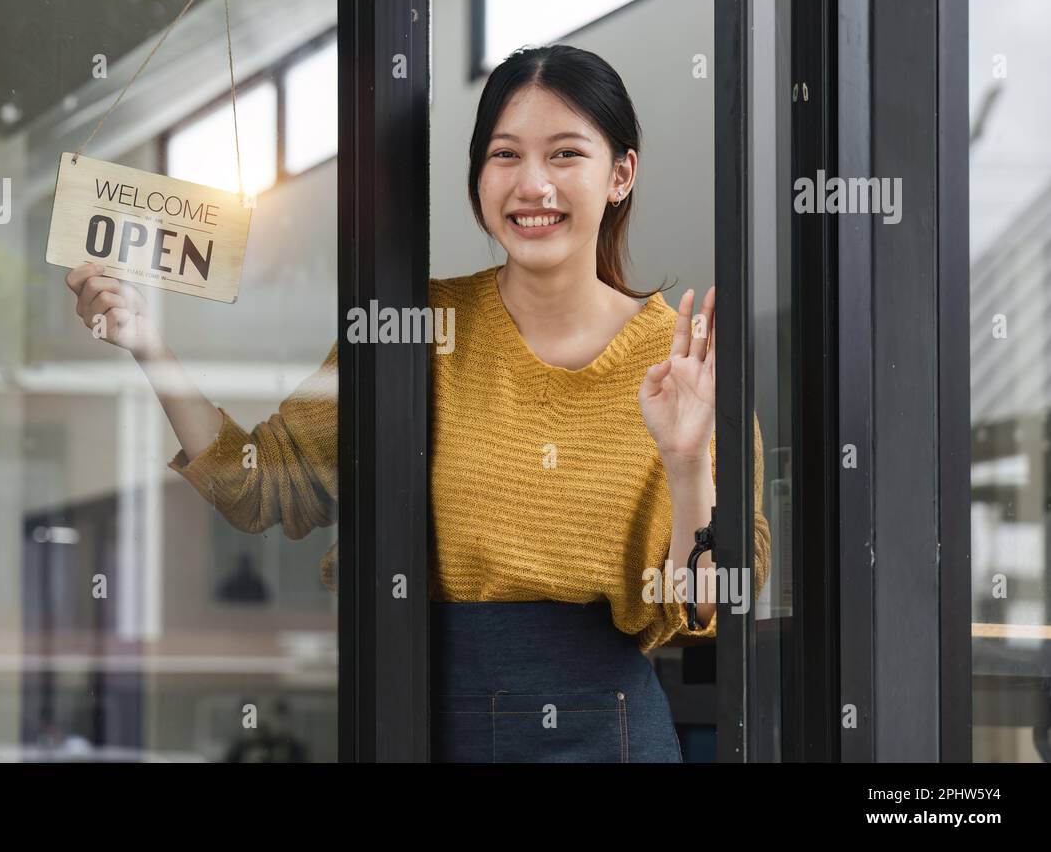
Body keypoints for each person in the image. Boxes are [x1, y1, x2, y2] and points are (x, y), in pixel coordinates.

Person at [66, 43, 771, 763]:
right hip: (418, 719)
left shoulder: (685, 362)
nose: (532, 185)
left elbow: (708, 606)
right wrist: (148, 344)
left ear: (620, 174)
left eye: (565, 155)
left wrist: (687, 465)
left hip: (609, 739)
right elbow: (259, 483)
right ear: (477, 179)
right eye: (504, 156)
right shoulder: (413, 329)